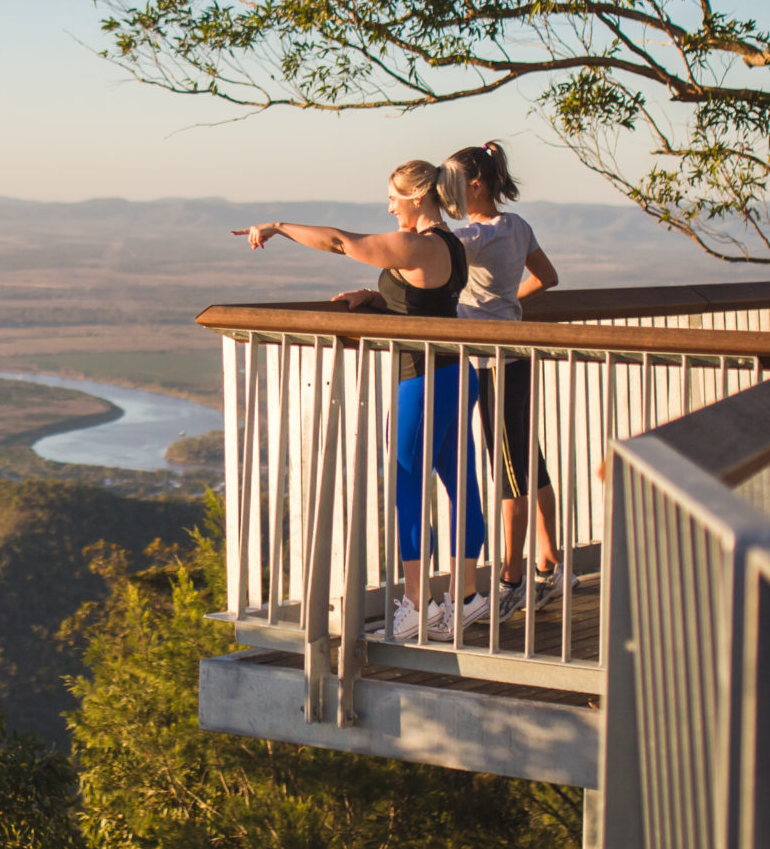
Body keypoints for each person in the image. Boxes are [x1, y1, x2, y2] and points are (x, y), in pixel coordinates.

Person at [235, 160, 490, 643]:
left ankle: (417, 605)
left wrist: (279, 226)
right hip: (458, 373)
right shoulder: (451, 245)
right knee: (461, 487)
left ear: (418, 196)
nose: (389, 206)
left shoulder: (417, 243)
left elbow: (340, 242)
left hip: (423, 379)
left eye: (393, 197)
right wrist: (376, 301)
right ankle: (465, 597)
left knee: (409, 487)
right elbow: (425, 302)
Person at [442, 141, 563, 619]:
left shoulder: (473, 237)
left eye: (452, 185)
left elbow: (420, 264)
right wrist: (507, 304)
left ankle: (512, 578)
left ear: (474, 185)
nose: (447, 194)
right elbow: (547, 277)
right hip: (514, 353)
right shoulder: (517, 226)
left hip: (492, 363)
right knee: (529, 462)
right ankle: (550, 561)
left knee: (509, 473)